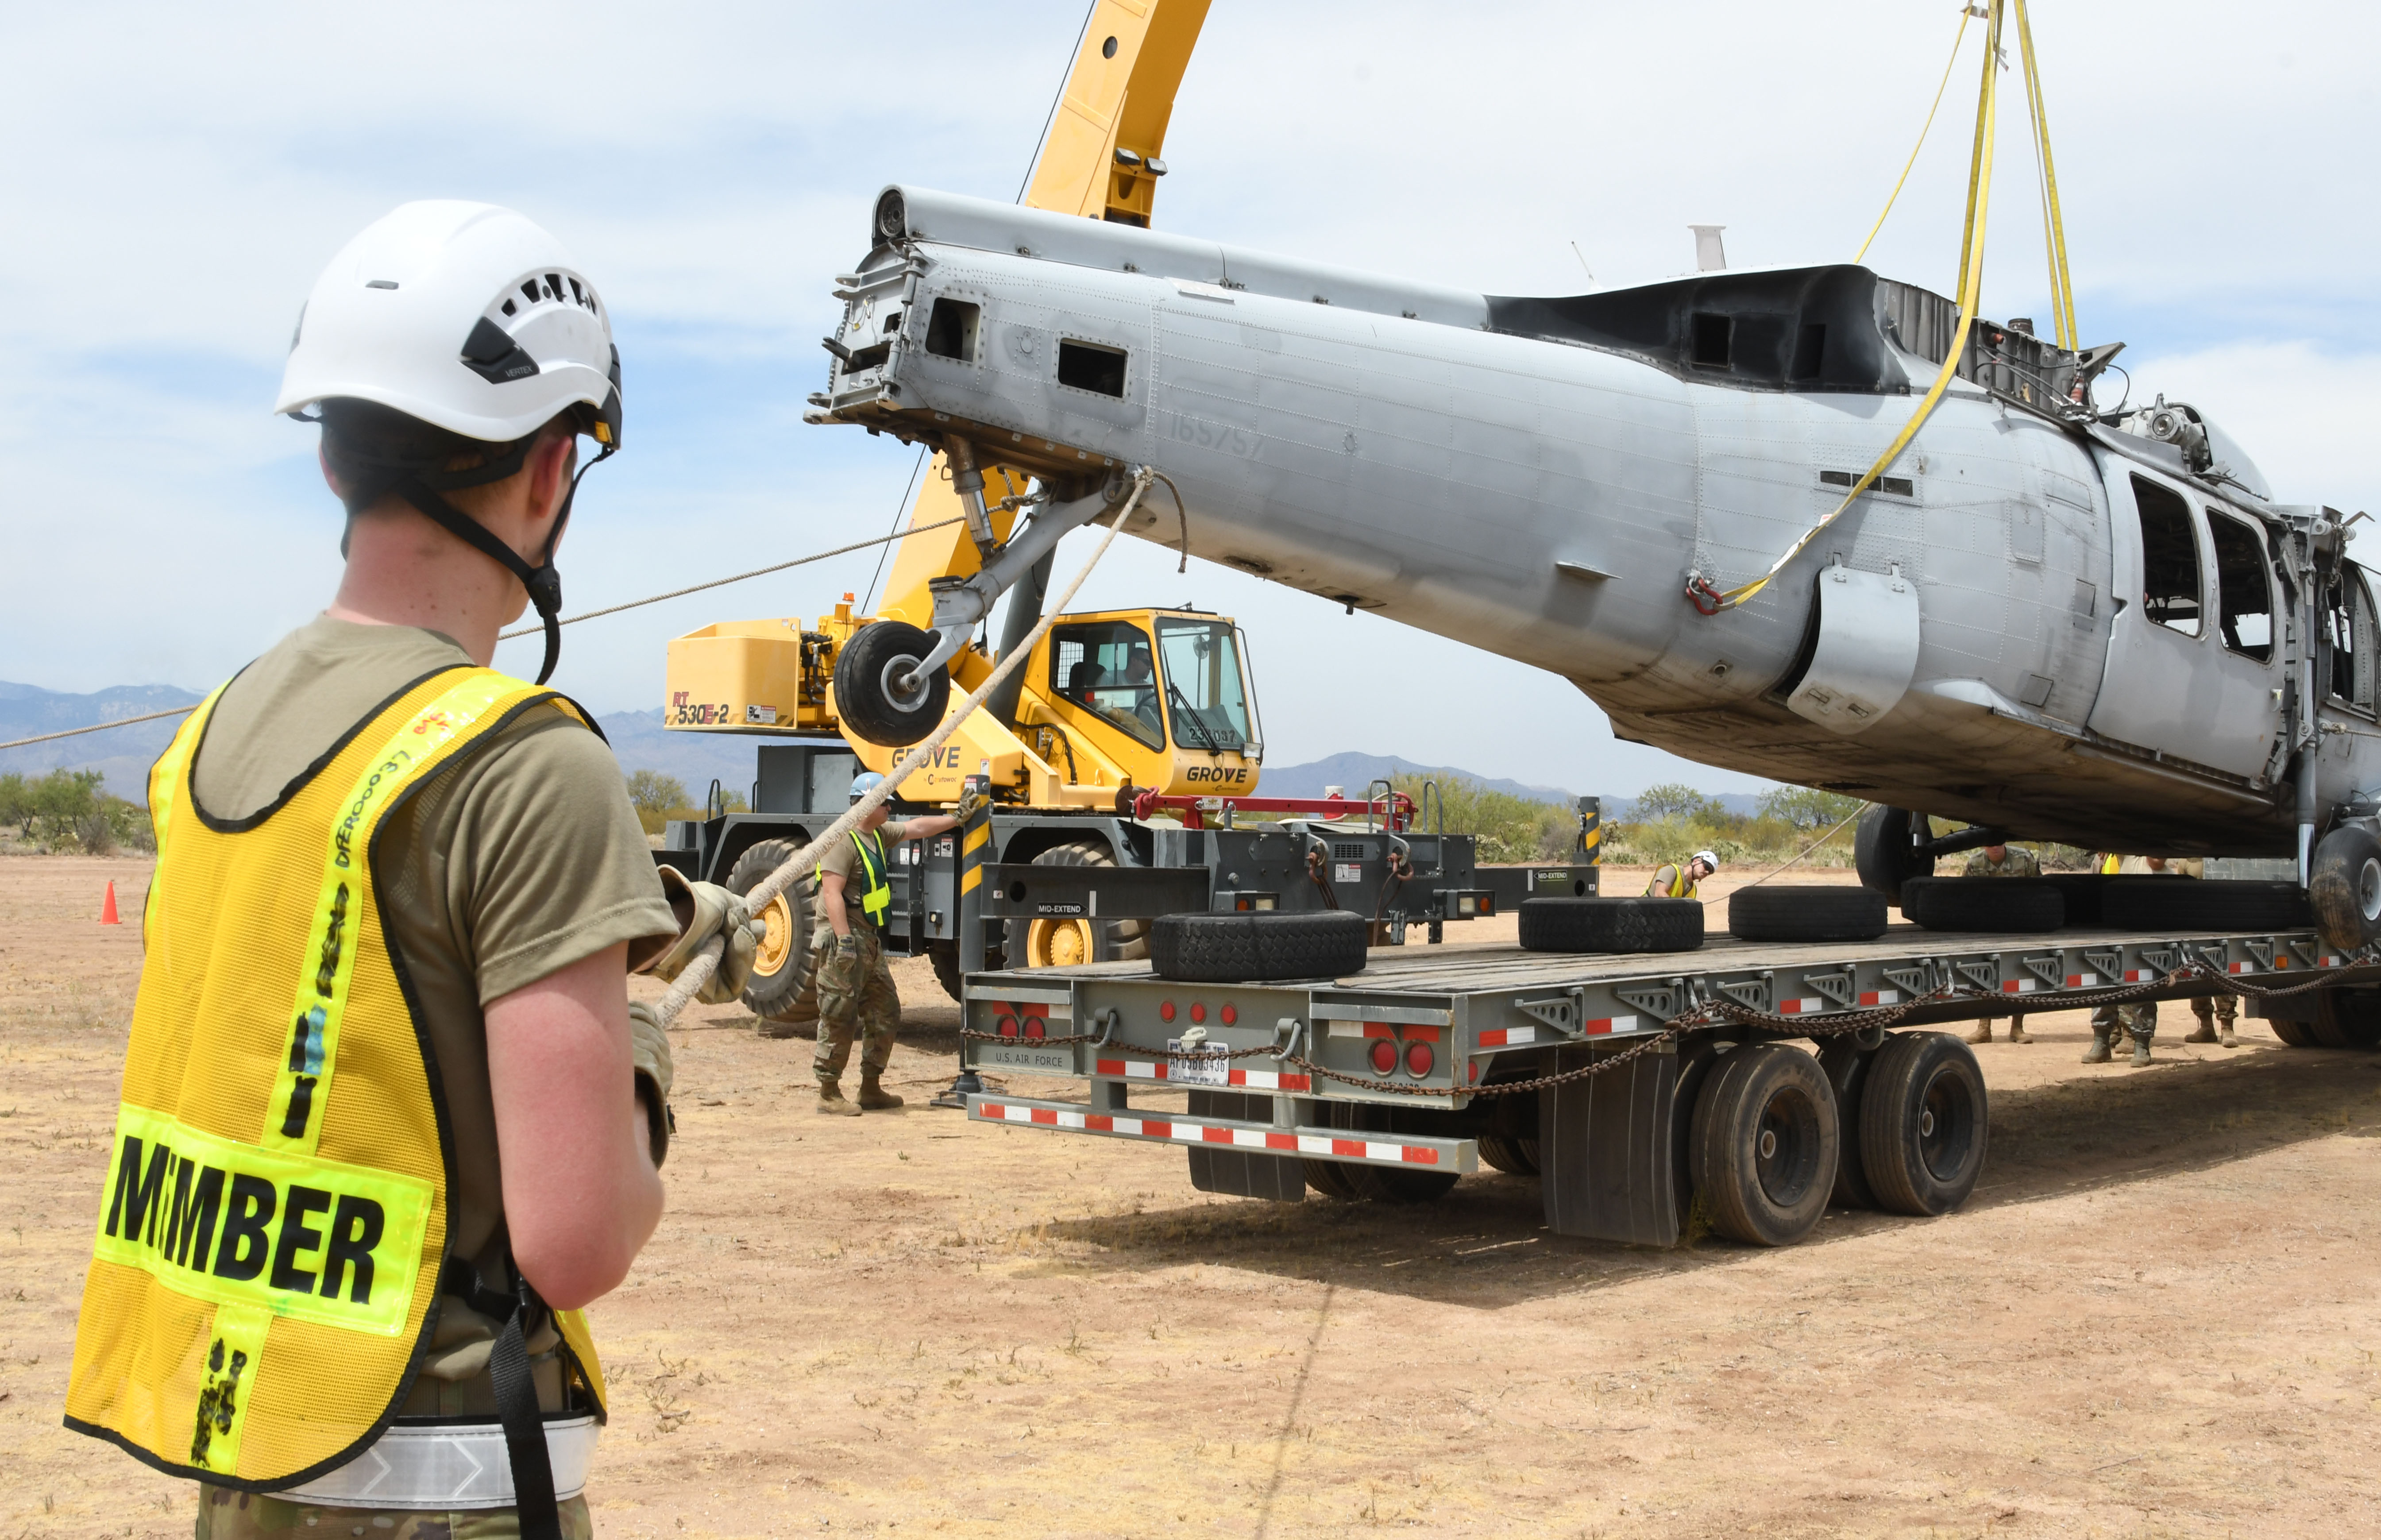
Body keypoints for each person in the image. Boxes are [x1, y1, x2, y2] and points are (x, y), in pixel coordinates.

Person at [62, 202, 760, 1538]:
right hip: (446, 1492)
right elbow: (576, 1239)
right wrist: (648, 1057)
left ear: (332, 459)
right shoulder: (528, 766)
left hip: (253, 1469)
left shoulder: (217, 727)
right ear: (552, 471)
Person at [809, 771, 982, 1115]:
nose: (891, 807)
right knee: (838, 1015)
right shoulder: (841, 840)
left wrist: (957, 817)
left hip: (867, 940)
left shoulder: (875, 834)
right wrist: (844, 942)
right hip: (844, 940)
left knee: (885, 1011)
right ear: (866, 803)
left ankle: (870, 1087)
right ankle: (829, 1092)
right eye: (885, 802)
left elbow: (917, 828)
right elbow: (831, 894)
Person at [1962, 841, 2042, 1044]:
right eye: (1989, 844)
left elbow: (2040, 890)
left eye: (1998, 843)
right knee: (1984, 975)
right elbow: (1963, 894)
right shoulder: (1975, 863)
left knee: (2020, 976)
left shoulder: (2024, 859)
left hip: (2019, 927)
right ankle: (1984, 1028)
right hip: (1987, 928)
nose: (1994, 847)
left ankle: (2017, 1028)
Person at [1646, 850, 1718, 899]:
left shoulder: (1693, 891)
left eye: (1711, 871)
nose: (1707, 872)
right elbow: (1659, 894)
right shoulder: (1671, 871)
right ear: (1696, 861)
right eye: (1707, 867)